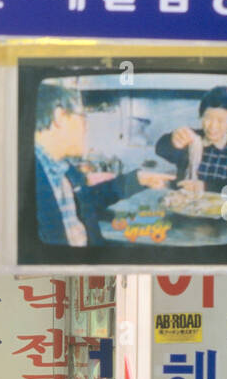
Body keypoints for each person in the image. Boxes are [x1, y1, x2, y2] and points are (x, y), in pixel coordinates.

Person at [25, 83, 166, 254]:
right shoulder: (24, 178)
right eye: (83, 117)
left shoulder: (62, 169)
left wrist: (137, 179)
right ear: (60, 117)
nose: (87, 126)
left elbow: (88, 201)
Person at [154, 87, 227, 195]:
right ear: (201, 116)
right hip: (185, 205)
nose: (213, 126)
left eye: (220, 120)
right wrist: (173, 140)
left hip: (221, 209)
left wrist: (205, 186)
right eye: (208, 118)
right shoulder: (191, 138)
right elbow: (160, 149)